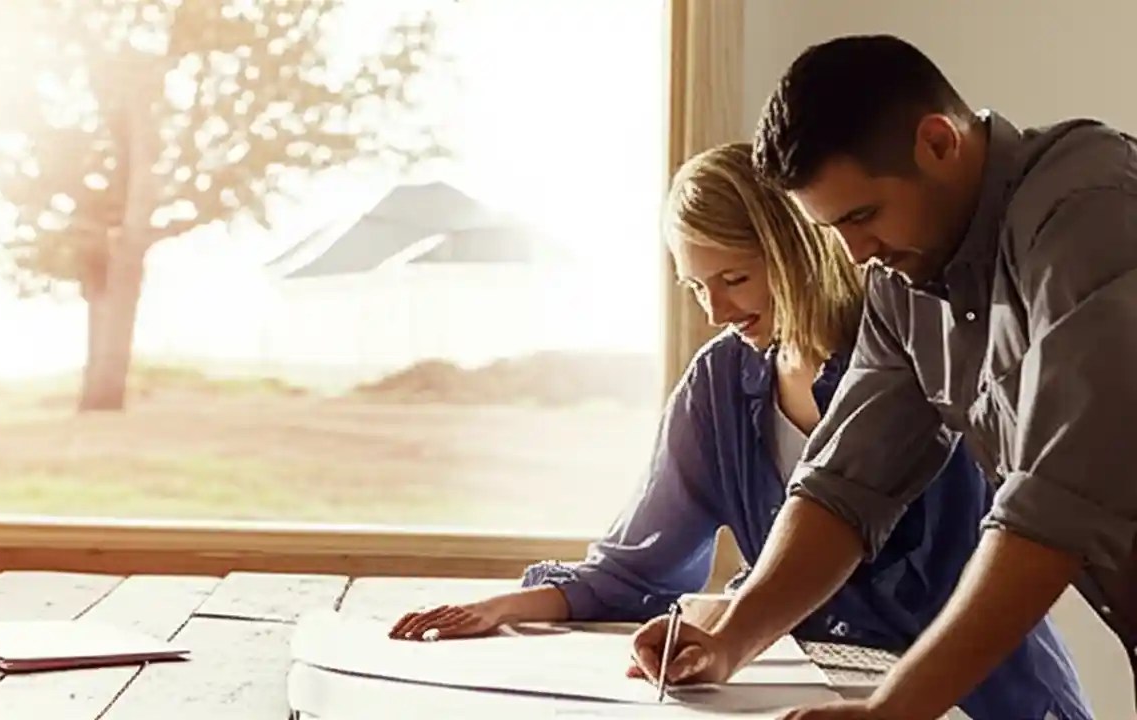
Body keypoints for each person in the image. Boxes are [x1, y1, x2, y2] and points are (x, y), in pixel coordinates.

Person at [390, 143, 1091, 719]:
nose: (716, 310)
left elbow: (992, 551)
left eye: (733, 278)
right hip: (817, 694)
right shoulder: (721, 384)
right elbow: (642, 560)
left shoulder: (917, 357)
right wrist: (503, 608)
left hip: (984, 697)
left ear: (795, 253)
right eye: (696, 287)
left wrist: (739, 624)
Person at [630, 33, 1137, 719]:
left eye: (863, 216)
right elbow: (844, 484)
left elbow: (1057, 496)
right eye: (832, 229)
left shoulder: (1088, 206)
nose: (855, 253)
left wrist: (893, 710)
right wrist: (731, 639)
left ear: (938, 142)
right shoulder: (904, 278)